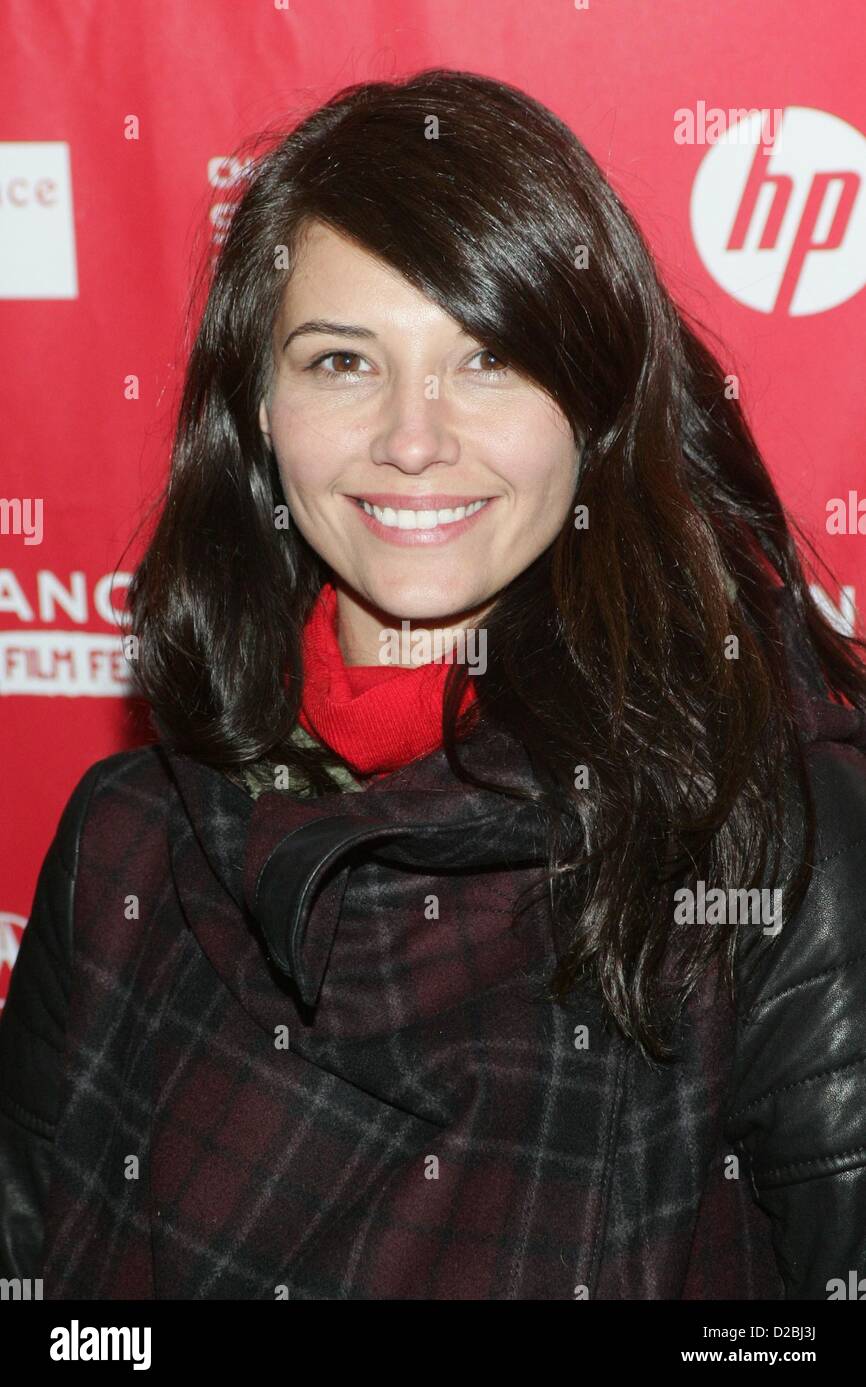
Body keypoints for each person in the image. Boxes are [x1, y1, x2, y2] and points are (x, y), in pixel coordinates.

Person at [2, 67, 866, 1301]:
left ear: (593, 406)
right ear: (258, 408)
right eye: (343, 362)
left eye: (487, 360)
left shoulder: (762, 845)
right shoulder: (128, 842)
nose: (413, 439)